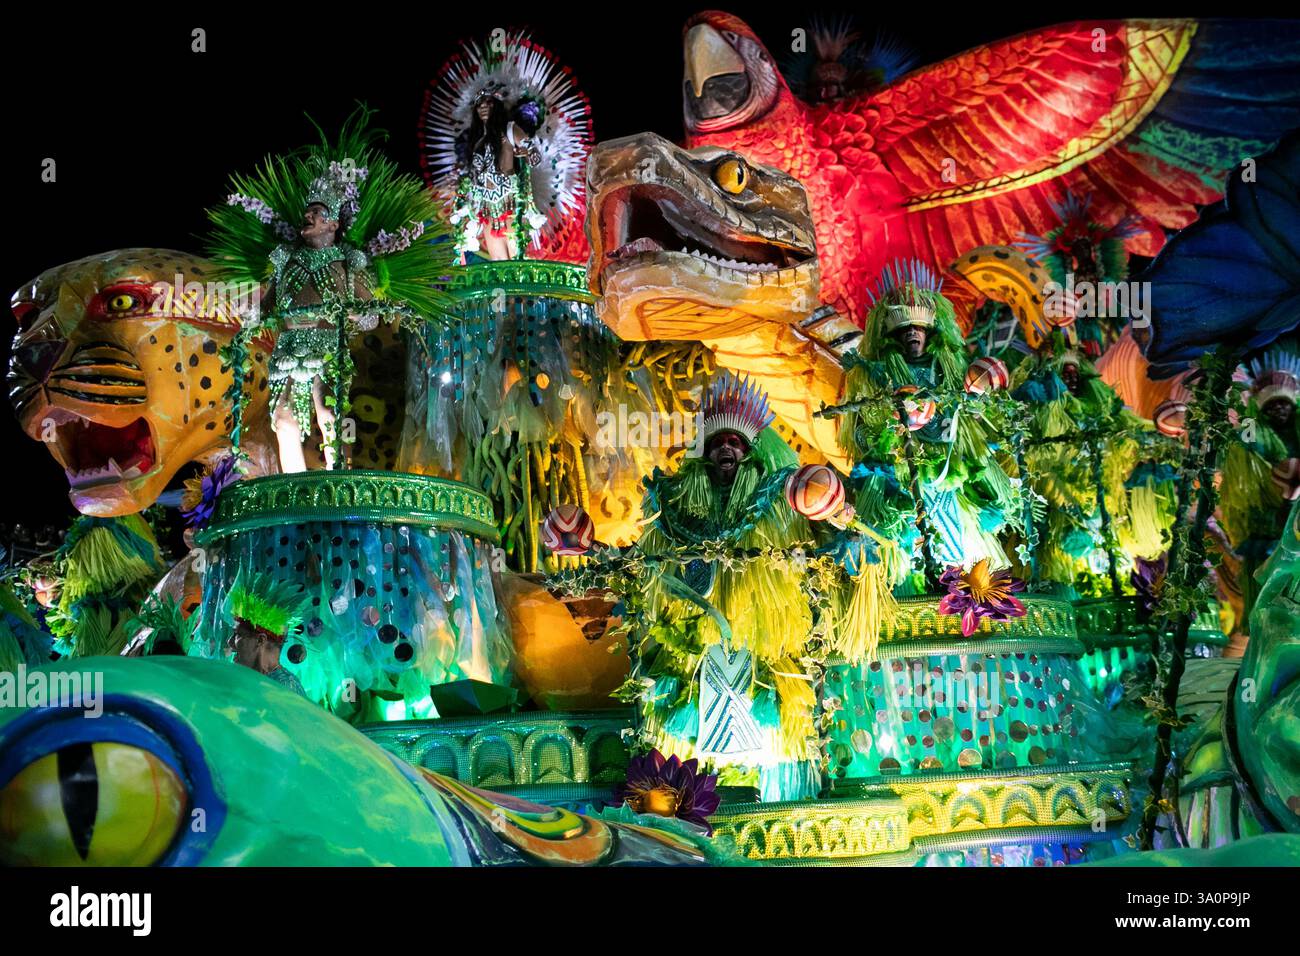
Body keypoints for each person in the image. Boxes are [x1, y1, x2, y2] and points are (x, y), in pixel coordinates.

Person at [450, 85, 546, 261]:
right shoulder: (476, 139)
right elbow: (473, 176)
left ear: (497, 106)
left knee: (518, 264)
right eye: (479, 105)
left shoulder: (510, 129)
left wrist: (527, 154)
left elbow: (535, 155)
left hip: (509, 203)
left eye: (488, 103)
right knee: (499, 266)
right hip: (486, 209)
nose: (483, 107)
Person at [224, 572, 310, 697]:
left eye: (237, 634)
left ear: (260, 640)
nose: (230, 642)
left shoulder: (284, 688)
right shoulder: (260, 681)